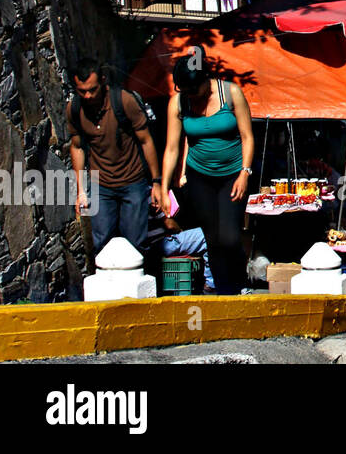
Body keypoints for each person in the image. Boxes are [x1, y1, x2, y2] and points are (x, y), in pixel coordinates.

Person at [162, 47, 255, 295]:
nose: (192, 96)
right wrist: (163, 187)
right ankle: (224, 291)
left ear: (206, 79)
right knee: (211, 239)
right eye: (186, 92)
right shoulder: (179, 103)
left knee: (230, 236)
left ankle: (239, 282)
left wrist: (245, 173)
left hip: (232, 174)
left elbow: (247, 137)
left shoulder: (231, 92)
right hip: (199, 176)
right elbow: (172, 148)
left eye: (196, 90)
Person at [66, 57, 164, 255]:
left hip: (132, 181)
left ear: (102, 81)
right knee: (101, 244)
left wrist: (156, 182)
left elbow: (146, 140)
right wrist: (81, 191)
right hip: (100, 184)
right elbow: (77, 147)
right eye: (82, 91)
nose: (87, 96)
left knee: (135, 244)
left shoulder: (124, 101)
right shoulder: (75, 109)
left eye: (92, 90)